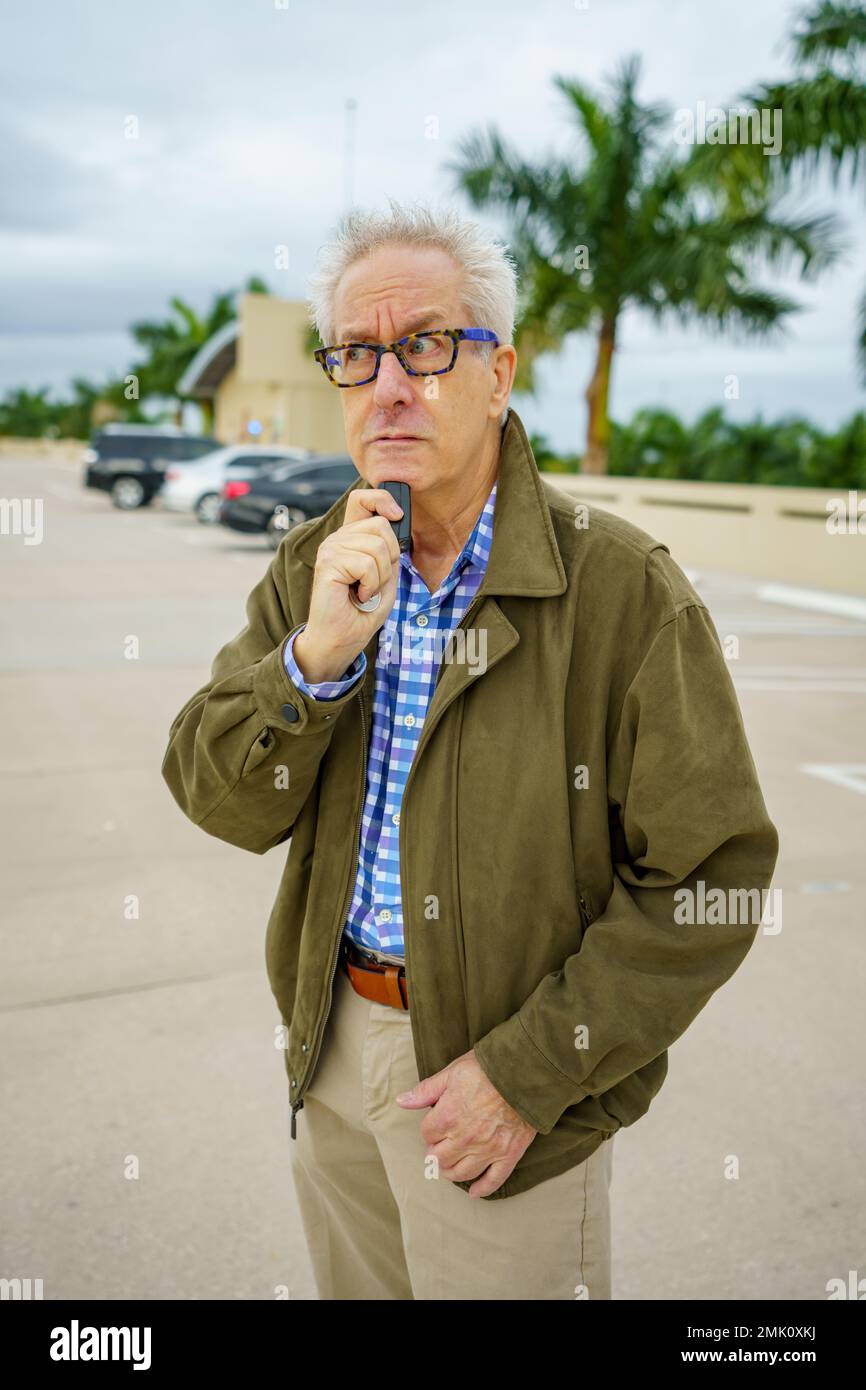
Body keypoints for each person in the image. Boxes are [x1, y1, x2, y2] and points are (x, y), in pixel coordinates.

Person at [161, 201, 779, 1301]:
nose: (389, 383)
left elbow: (711, 877)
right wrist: (313, 660)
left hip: (500, 1085)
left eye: (426, 346)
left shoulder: (623, 591)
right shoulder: (316, 567)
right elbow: (217, 798)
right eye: (357, 354)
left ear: (498, 374)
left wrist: (529, 1070)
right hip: (333, 1046)